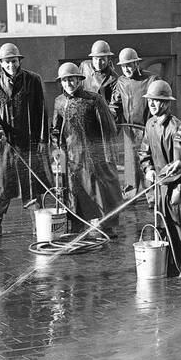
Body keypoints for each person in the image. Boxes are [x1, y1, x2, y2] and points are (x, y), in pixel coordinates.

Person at [0, 41, 51, 240]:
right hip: (3, 146)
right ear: (1, 64)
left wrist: (42, 141)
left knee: (31, 187)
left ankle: (39, 226)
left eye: (14, 61)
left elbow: (42, 112)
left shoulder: (33, 80)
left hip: (28, 144)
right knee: (0, 187)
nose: (11, 65)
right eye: (7, 62)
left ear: (19, 60)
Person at [52, 62, 124, 239]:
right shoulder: (59, 102)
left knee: (100, 189)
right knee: (75, 190)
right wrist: (57, 147)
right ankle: (78, 223)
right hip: (72, 156)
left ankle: (106, 226)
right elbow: (56, 128)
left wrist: (106, 155)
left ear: (79, 80)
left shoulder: (94, 100)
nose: (69, 83)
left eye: (73, 79)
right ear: (61, 82)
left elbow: (107, 129)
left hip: (94, 155)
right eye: (65, 80)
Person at [138, 79, 181, 275]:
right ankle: (170, 264)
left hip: (178, 186)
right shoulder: (150, 124)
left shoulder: (177, 128)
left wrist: (173, 169)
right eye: (150, 101)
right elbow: (144, 152)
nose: (152, 104)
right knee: (163, 225)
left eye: (157, 100)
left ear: (166, 103)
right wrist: (148, 169)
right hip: (160, 187)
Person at [111, 47, 153, 196]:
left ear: (136, 64)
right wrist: (110, 116)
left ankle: (152, 196)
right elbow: (115, 104)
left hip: (146, 129)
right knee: (130, 165)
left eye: (129, 64)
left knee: (147, 162)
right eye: (123, 66)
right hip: (129, 130)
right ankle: (130, 194)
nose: (127, 68)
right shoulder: (121, 81)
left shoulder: (151, 79)